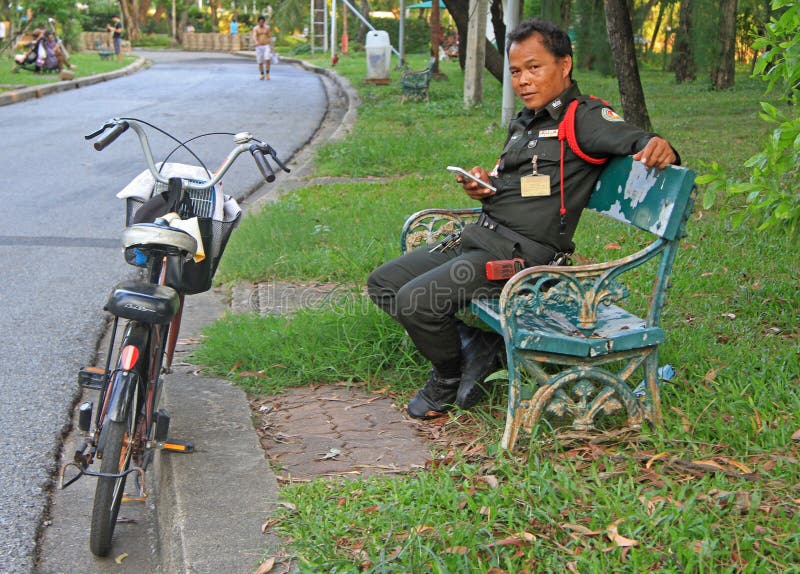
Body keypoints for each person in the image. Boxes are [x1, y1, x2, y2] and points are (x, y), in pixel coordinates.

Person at [367, 18, 679, 420]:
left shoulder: (582, 118)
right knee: (385, 283)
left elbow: (638, 140)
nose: (523, 80)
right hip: (481, 238)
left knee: (416, 300)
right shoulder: (526, 121)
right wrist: (484, 184)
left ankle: (447, 377)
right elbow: (518, 181)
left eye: (535, 68)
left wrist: (658, 146)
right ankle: (475, 346)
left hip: (519, 258)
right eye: (516, 71)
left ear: (564, 66)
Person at [251, 16, 274, 80]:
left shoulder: (267, 28)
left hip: (266, 45)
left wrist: (272, 46)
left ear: (264, 22)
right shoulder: (255, 28)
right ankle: (262, 74)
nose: (261, 23)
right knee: (260, 61)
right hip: (259, 46)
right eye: (260, 22)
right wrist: (256, 42)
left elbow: (269, 36)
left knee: (267, 58)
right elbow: (254, 36)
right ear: (258, 22)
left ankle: (267, 73)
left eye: (262, 22)